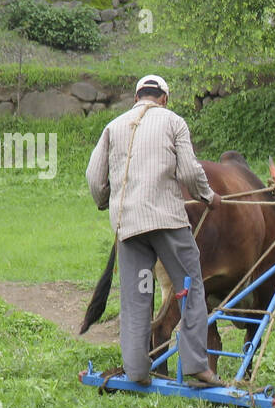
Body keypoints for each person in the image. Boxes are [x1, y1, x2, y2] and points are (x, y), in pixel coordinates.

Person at [86, 74, 224, 388]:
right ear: (163, 98)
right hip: (167, 222)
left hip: (128, 226)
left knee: (136, 296)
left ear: (137, 98)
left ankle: (136, 370)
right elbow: (189, 170)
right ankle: (196, 366)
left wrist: (107, 201)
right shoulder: (173, 121)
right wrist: (208, 196)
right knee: (190, 287)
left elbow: (94, 179)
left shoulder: (114, 126)